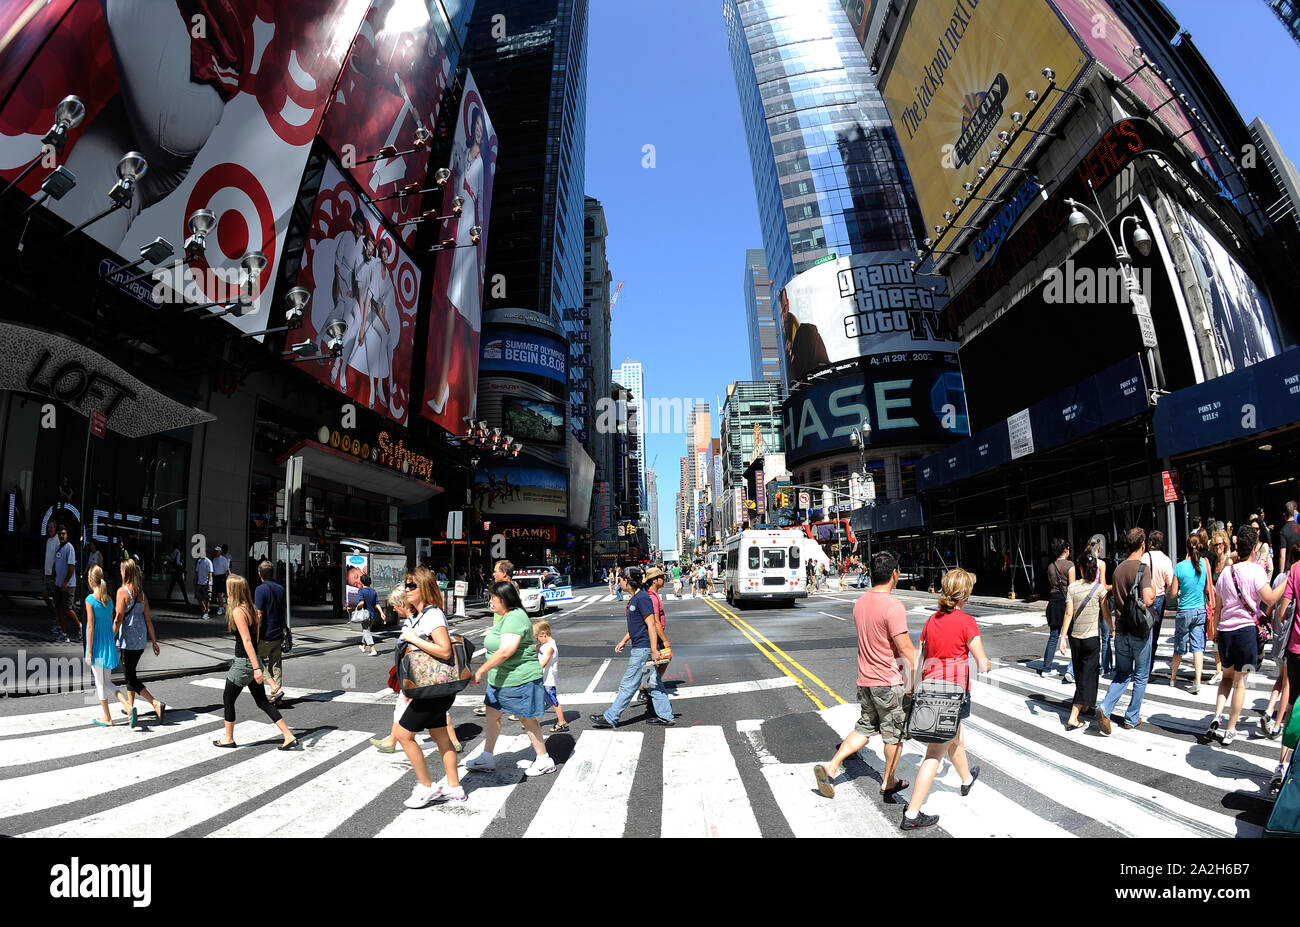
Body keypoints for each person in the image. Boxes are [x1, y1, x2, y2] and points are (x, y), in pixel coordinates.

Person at [812, 552, 917, 804]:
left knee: (864, 728)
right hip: (888, 681)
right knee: (894, 735)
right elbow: (905, 649)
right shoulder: (893, 606)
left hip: (866, 679)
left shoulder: (860, 603)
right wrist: (913, 682)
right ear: (895, 574)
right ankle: (889, 781)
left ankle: (832, 767)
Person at [899, 568, 989, 830]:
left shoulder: (932, 620)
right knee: (935, 752)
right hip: (951, 694)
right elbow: (982, 662)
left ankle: (966, 779)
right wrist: (985, 663)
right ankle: (912, 814)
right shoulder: (967, 622)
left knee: (955, 736)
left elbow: (919, 657)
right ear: (965, 593)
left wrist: (911, 686)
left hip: (929, 688)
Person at [392, 568, 467, 807]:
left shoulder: (433, 615)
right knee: (440, 736)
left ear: (424, 587)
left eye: (411, 585)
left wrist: (413, 638)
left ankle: (427, 787)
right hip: (434, 688)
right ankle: (455, 788)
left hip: (432, 689)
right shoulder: (419, 615)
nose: (406, 589)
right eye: (406, 584)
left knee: (403, 735)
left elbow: (445, 650)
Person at [466, 581, 557, 776]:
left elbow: (506, 651)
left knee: (527, 718)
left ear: (503, 599)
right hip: (500, 679)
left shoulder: (515, 617)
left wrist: (480, 670)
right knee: (492, 714)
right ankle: (487, 757)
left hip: (518, 678)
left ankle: (544, 759)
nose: (490, 601)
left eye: (493, 598)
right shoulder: (505, 617)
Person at [1208, 526, 1284, 747]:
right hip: (1246, 633)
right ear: (1253, 548)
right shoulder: (1256, 571)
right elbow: (1270, 599)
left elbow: (1218, 608)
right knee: (1240, 683)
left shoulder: (1225, 573)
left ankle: (1217, 716)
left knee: (1226, 677)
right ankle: (1230, 729)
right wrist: (1286, 581)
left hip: (1225, 632)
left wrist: (1216, 633)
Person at [371, 584, 463, 755]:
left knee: (415, 722)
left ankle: (396, 741)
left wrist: (412, 640)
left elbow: (443, 649)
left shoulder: (427, 616)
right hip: (419, 673)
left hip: (423, 674)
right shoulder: (415, 618)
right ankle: (393, 740)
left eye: (394, 605)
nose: (393, 609)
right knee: (426, 713)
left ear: (402, 603)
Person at [213, 573, 299, 751]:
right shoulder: (251, 608)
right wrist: (257, 664)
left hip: (243, 663)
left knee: (228, 699)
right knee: (262, 702)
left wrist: (256, 668)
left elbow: (247, 641)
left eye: (228, 588)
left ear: (233, 590)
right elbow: (256, 638)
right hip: (252, 661)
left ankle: (228, 738)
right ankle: (288, 735)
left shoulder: (238, 612)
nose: (226, 590)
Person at [590, 567, 677, 729]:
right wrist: (623, 641)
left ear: (628, 581)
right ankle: (666, 716)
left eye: (621, 580)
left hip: (642, 650)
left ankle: (611, 717)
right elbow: (637, 625)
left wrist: (654, 649)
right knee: (653, 683)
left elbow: (651, 625)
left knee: (628, 684)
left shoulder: (642, 598)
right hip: (641, 647)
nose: (619, 583)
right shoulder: (636, 598)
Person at [1096, 528, 1158, 734]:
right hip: (1139, 631)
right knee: (1140, 675)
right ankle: (1131, 717)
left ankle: (1105, 707)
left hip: (1121, 630)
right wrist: (1154, 590)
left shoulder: (1118, 569)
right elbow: (1148, 599)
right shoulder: (1143, 568)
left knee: (1122, 674)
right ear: (1143, 545)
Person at [1059, 552, 1111, 730]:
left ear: (1081, 568)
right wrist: (1112, 628)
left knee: (1082, 673)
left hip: (1075, 639)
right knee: (1087, 677)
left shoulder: (1072, 588)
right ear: (1095, 570)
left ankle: (1086, 706)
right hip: (1091, 639)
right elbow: (1106, 613)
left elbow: (1068, 613)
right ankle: (1073, 716)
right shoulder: (1099, 589)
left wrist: (1062, 638)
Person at [113, 558, 164, 725]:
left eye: (121, 570)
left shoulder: (122, 592)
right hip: (141, 640)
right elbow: (148, 619)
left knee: (130, 677)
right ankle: (131, 708)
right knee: (131, 673)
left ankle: (154, 703)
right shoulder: (141, 594)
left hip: (127, 641)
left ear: (124, 572)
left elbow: (118, 619)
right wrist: (154, 641)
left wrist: (111, 637)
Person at [1267, 540, 1300, 790]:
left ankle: (1282, 765)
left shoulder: (1295, 569)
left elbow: (1281, 611)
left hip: (1296, 649)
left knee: (1292, 707)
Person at [1168, 532, 1214, 694]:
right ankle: (1198, 681)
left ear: (1186, 547)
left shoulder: (1180, 567)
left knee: (1179, 645)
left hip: (1184, 610)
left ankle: (1173, 678)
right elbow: (1208, 589)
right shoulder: (1205, 564)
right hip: (1200, 609)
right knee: (1198, 647)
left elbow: (1173, 593)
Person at [83, 565, 126, 728]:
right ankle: (128, 706)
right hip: (107, 645)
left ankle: (108, 718)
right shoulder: (109, 599)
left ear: (90, 580)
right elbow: (111, 621)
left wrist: (89, 651)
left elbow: (90, 627)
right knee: (107, 681)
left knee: (100, 683)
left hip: (97, 646)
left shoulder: (90, 600)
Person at [631, 566, 672, 705]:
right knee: (662, 659)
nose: (664, 579)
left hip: (654, 634)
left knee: (660, 660)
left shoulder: (653, 595)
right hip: (655, 635)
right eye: (661, 577)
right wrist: (665, 640)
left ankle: (648, 686)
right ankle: (645, 688)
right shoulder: (652, 597)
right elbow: (655, 622)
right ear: (654, 580)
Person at [253, 561, 288, 704]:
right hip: (278, 633)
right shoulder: (281, 588)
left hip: (265, 634)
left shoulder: (260, 589)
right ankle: (277, 697)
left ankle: (275, 689)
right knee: (276, 664)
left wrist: (255, 633)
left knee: (254, 660)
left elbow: (259, 614)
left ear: (259, 574)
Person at [1041, 538, 1075, 680]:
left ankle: (1046, 668)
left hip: (1053, 601)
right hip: (1066, 600)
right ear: (1065, 550)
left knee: (1053, 636)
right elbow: (1072, 587)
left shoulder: (1051, 566)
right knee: (1072, 635)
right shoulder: (1070, 565)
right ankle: (1073, 669)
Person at [1145, 531, 1175, 678]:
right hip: (1159, 598)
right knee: (1154, 635)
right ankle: (1148, 670)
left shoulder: (1144, 557)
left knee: (1143, 635)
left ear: (1150, 543)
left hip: (1144, 597)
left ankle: (1141, 669)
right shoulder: (1166, 560)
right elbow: (1170, 583)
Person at [534, 621, 568, 732]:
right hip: (543, 678)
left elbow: (544, 663)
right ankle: (531, 721)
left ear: (543, 634)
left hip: (548, 680)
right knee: (538, 698)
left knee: (553, 701)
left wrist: (532, 671)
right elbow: (537, 647)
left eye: (537, 638)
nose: (537, 640)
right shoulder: (545, 644)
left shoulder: (550, 647)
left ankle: (562, 722)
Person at [1088, 533, 1113, 675]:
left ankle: (1078, 667)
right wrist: (1113, 586)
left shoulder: (1085, 562)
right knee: (1105, 636)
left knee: (1089, 635)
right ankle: (1105, 667)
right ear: (1098, 548)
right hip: (1101, 600)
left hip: (1089, 602)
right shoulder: (1101, 564)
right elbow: (1103, 585)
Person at [52, 524, 81, 644]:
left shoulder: (70, 548)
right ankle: (64, 634)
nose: (61, 536)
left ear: (67, 535)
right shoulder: (57, 547)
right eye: (60, 534)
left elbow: (71, 567)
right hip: (58, 584)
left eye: (63, 534)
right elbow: (55, 564)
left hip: (68, 585)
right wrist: (54, 579)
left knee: (67, 609)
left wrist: (65, 582)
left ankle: (80, 625)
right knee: (59, 608)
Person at [354, 572, 383, 657]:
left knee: (366, 631)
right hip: (372, 614)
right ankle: (363, 646)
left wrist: (357, 608)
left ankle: (373, 649)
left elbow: (361, 602)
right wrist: (381, 613)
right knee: (366, 629)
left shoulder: (361, 591)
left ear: (361, 582)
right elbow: (377, 603)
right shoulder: (373, 591)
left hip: (365, 615)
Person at [1279, 501, 1299, 577]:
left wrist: (1280, 575)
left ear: (1284, 514)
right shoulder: (1299, 527)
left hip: (1289, 570)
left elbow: (1282, 556)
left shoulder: (1283, 531)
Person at [166, 540, 189, 605]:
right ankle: (186, 600)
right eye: (179, 546)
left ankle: (168, 598)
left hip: (173, 571)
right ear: (178, 546)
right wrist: (181, 565)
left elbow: (171, 560)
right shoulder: (178, 552)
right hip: (178, 572)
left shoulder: (173, 552)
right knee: (182, 586)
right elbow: (177, 562)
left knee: (171, 586)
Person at [212, 544, 231, 616]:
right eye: (215, 551)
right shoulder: (214, 559)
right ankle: (221, 607)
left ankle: (222, 607)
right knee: (218, 594)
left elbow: (227, 570)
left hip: (222, 577)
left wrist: (229, 578)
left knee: (222, 594)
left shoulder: (223, 559)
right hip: (216, 577)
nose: (215, 552)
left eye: (217, 551)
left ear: (220, 552)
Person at [196, 549, 213, 619]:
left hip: (206, 583)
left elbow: (210, 572)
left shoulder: (208, 561)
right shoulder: (199, 561)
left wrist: (208, 582)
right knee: (198, 598)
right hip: (199, 582)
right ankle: (204, 608)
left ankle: (206, 613)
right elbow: (197, 571)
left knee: (206, 599)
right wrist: (195, 579)